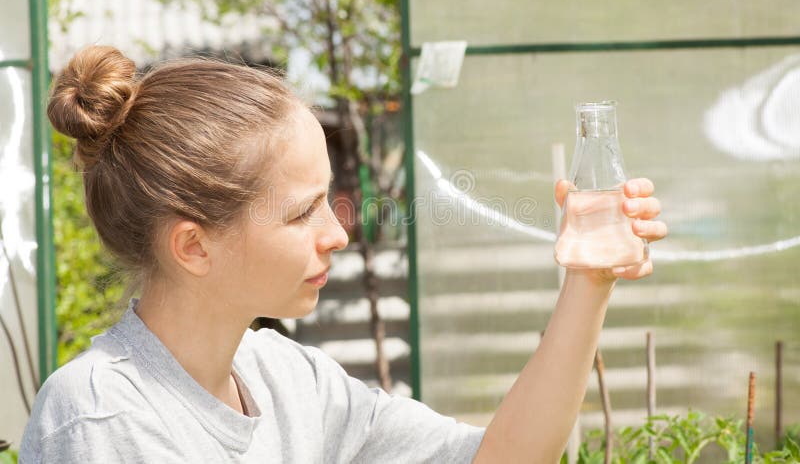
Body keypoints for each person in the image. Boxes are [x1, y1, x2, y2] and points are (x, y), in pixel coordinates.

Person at [20, 46, 666, 463]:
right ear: (194, 246)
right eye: (303, 212)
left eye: (330, 200)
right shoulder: (101, 420)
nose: (337, 234)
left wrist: (588, 282)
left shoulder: (286, 377)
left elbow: (498, 458)